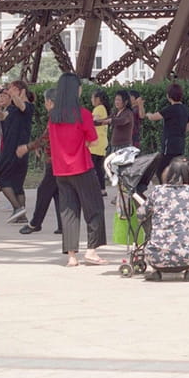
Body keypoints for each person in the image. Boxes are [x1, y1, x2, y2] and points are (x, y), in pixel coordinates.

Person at [46, 73, 107, 267]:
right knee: (94, 207)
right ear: (76, 90)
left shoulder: (53, 116)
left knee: (69, 211)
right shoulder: (83, 114)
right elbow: (93, 139)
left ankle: (72, 256)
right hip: (81, 166)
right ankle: (92, 250)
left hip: (61, 170)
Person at [138, 158, 189, 280]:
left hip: (155, 258)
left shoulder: (157, 191)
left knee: (154, 228)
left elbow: (140, 215)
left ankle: (155, 270)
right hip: (185, 258)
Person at [135, 83, 189, 197]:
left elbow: (153, 117)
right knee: (178, 167)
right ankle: (178, 189)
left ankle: (166, 189)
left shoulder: (170, 109)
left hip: (169, 144)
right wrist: (182, 129)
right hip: (180, 143)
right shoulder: (185, 109)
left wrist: (146, 112)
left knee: (161, 169)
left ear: (168, 96)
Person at [0, 80, 33, 223]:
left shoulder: (27, 107)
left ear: (20, 91)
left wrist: (15, 95)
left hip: (18, 150)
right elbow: (3, 118)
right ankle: (21, 216)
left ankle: (18, 208)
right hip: (9, 149)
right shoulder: (12, 109)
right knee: (16, 185)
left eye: (12, 89)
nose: (9, 92)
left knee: (1, 179)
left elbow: (22, 106)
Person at [89, 89, 111, 195]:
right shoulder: (104, 109)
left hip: (94, 143)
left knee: (90, 167)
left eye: (92, 98)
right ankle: (102, 189)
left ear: (98, 99)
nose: (91, 100)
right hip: (102, 142)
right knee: (98, 167)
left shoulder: (98, 109)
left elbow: (94, 122)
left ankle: (92, 189)